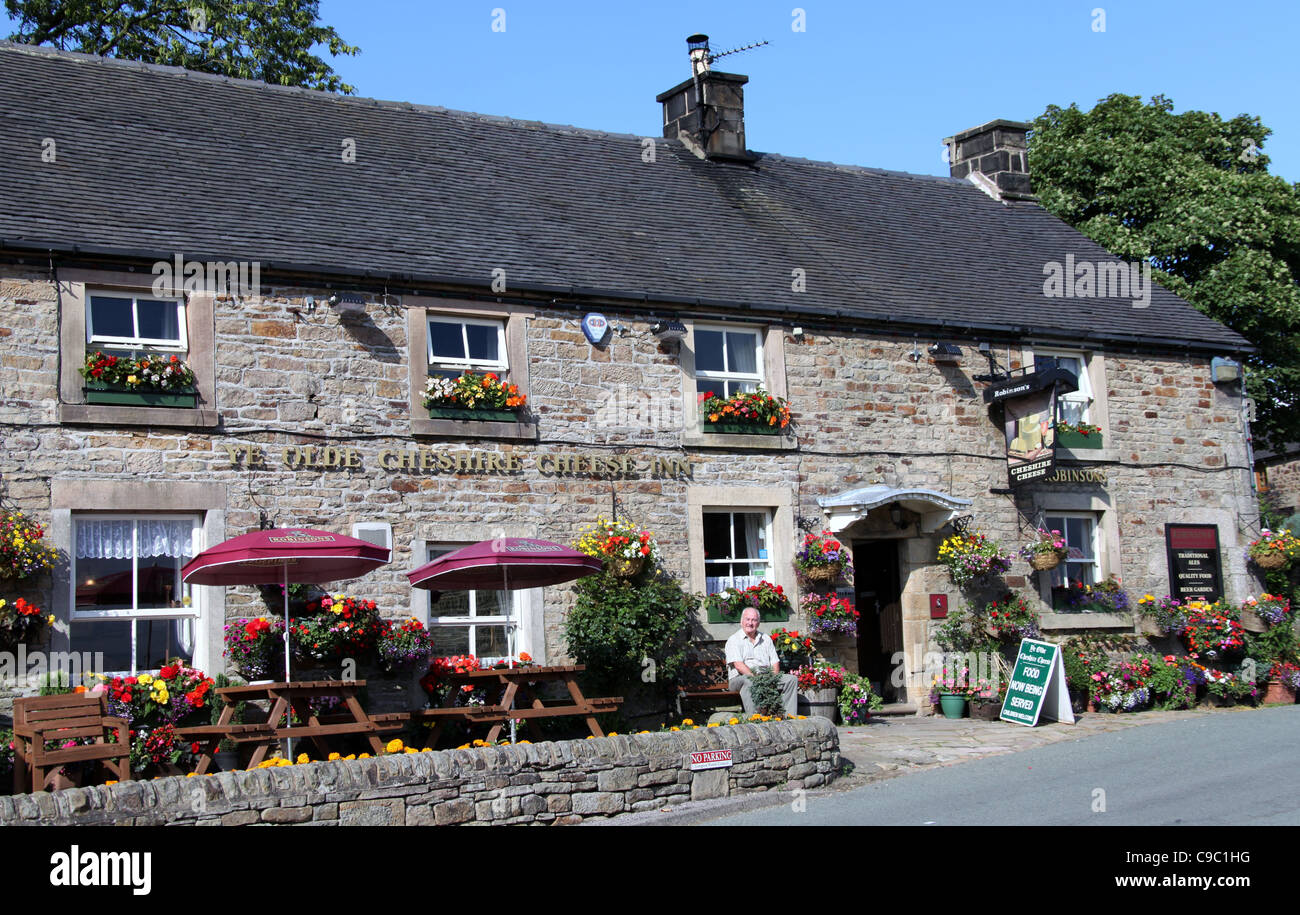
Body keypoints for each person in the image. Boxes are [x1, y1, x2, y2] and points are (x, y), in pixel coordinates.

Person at [725, 607, 799, 716]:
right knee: (749, 681)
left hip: (766, 676)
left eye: (754, 620)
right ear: (741, 621)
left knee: (791, 680)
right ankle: (756, 719)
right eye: (747, 619)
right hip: (740, 678)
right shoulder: (734, 640)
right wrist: (756, 678)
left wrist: (773, 678)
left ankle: (789, 718)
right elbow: (739, 665)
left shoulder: (765, 639)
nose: (750, 623)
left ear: (758, 623)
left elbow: (775, 662)